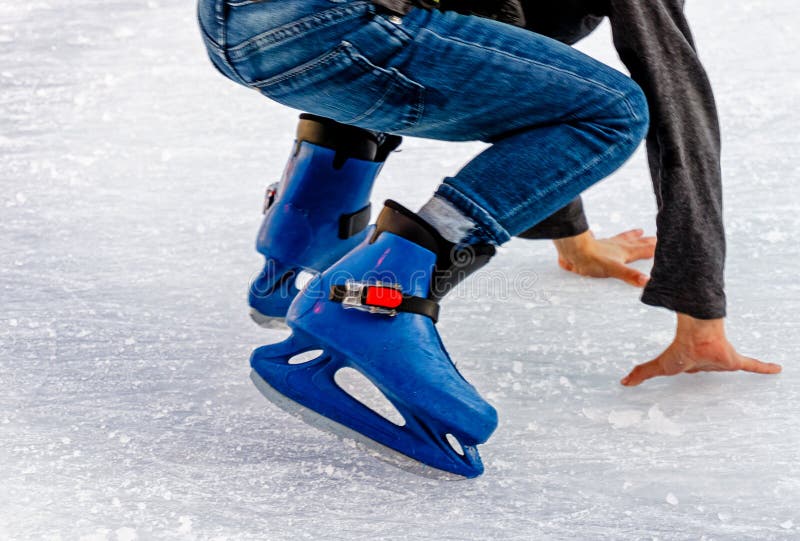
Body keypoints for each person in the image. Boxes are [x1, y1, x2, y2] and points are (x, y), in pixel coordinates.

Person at [197, 0, 777, 477]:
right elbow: (673, 92)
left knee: (414, 55)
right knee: (616, 111)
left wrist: (572, 238)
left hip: (236, 24)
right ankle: (374, 301)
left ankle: (301, 242)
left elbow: (509, 53)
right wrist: (701, 309)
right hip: (332, 25)